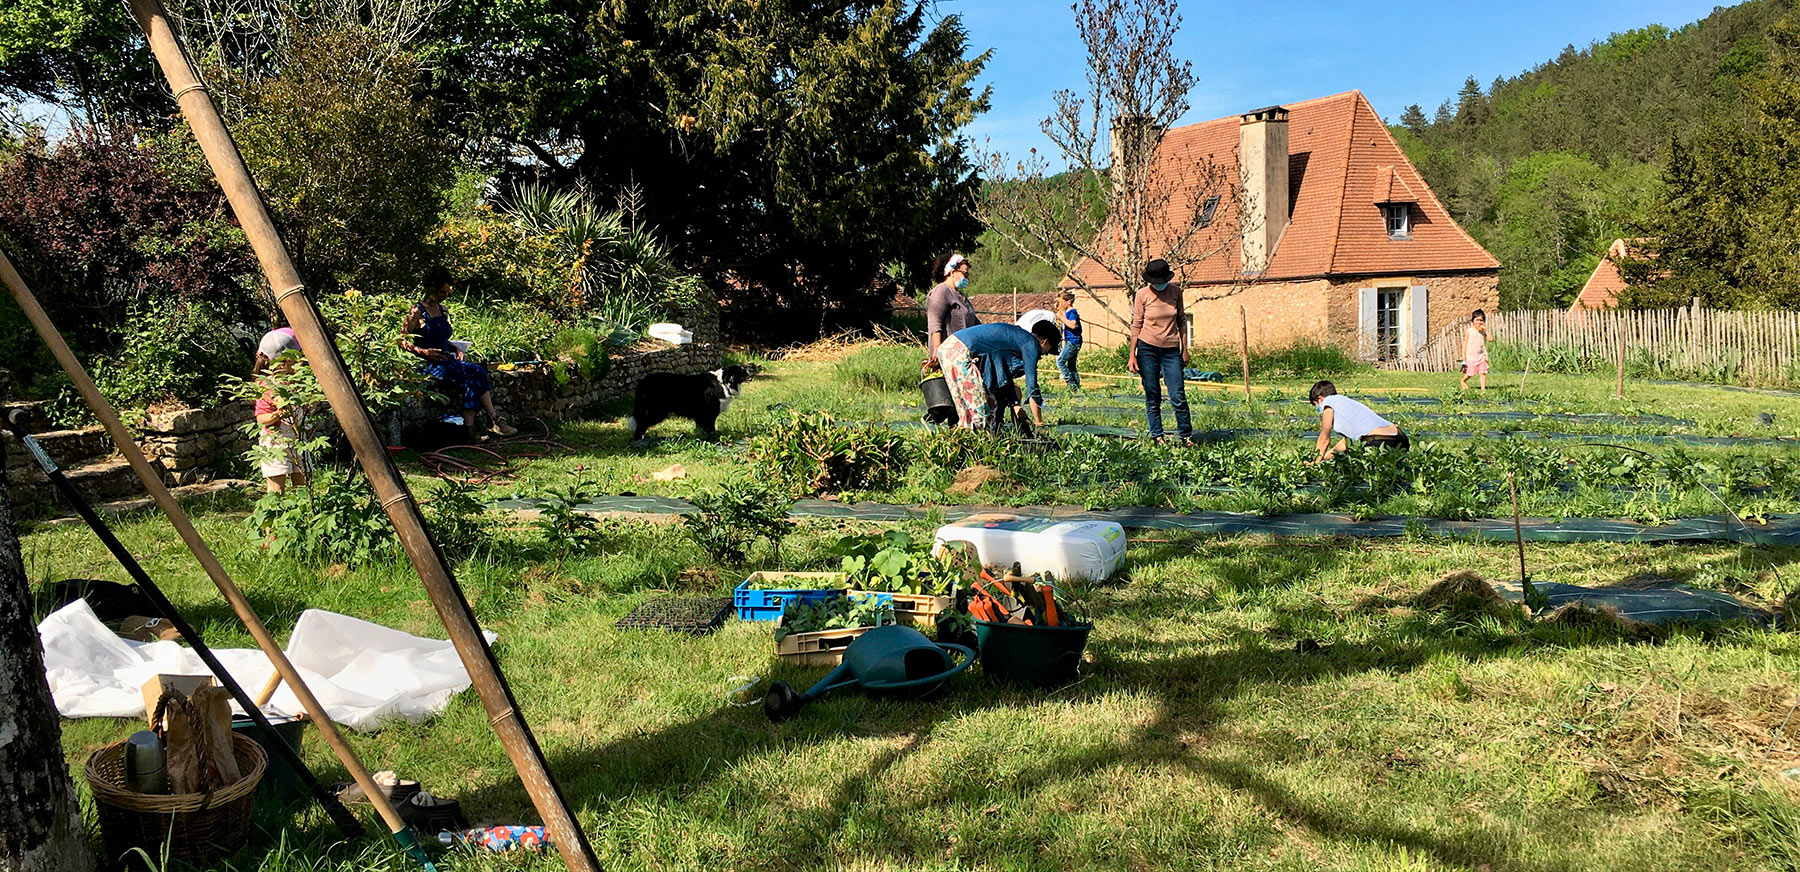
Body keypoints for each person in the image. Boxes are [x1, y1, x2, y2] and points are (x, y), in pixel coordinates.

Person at [400, 267, 517, 438]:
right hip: (429, 365)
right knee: (476, 371)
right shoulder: (416, 311)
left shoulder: (442, 310)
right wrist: (423, 352)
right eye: (442, 291)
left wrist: (455, 347)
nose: (445, 295)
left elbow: (440, 337)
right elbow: (400, 340)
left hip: (447, 361)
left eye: (448, 292)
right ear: (431, 289)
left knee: (472, 377)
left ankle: (469, 430)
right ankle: (493, 420)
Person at [936, 321, 1061, 431]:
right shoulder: (1031, 344)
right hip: (960, 350)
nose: (1045, 355)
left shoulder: (1015, 338)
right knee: (980, 411)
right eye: (1049, 350)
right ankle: (983, 452)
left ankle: (967, 447)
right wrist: (1039, 424)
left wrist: (1015, 405)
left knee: (967, 412)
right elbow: (1032, 387)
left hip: (949, 347)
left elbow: (1002, 375)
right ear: (1044, 341)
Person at [1127, 258, 1191, 443]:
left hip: (1171, 349)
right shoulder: (1142, 295)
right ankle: (1157, 436)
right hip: (1147, 349)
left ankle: (1186, 436)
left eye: (1162, 281)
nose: (1159, 285)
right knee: (1152, 393)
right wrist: (1133, 354)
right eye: (1156, 282)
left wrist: (1185, 349)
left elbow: (1181, 320)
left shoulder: (1176, 292)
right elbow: (1136, 324)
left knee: (1177, 394)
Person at [251, 327, 311, 492]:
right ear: (285, 360)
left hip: (298, 440)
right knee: (277, 491)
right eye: (296, 357)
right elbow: (261, 418)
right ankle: (276, 514)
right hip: (275, 442)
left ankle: (302, 515)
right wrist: (279, 413)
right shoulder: (268, 384)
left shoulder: (298, 382)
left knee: (303, 488)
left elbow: (306, 410)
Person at [1308, 380, 1409, 462]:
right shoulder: (1345, 402)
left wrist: (1315, 462)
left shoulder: (1328, 402)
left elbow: (1324, 438)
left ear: (1320, 399)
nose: (1318, 408)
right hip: (1400, 437)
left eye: (1316, 404)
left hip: (1377, 441)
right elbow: (1345, 443)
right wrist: (1325, 458)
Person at [923, 252, 980, 371]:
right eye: (964, 273)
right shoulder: (941, 291)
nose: (966, 278)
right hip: (949, 354)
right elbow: (935, 323)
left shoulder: (961, 297)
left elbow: (975, 323)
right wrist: (937, 351)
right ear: (953, 272)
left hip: (964, 353)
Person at [1056, 290, 1083, 390]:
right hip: (1073, 341)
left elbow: (1073, 324)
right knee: (1071, 364)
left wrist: (1062, 318)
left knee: (1060, 362)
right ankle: (1076, 385)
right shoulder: (1068, 312)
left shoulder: (1072, 312)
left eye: (1062, 301)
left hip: (1073, 341)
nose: (1061, 304)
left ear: (1068, 302)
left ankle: (1070, 383)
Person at [1460, 309, 1491, 392]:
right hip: (1471, 355)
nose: (1479, 322)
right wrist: (1463, 355)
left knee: (1482, 372)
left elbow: (1491, 339)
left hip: (1481, 355)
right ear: (1473, 321)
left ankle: (1483, 390)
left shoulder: (1483, 332)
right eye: (1477, 320)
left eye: (1481, 320)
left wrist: (1486, 331)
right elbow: (1465, 343)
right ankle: (1463, 380)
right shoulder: (1469, 331)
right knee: (1471, 372)